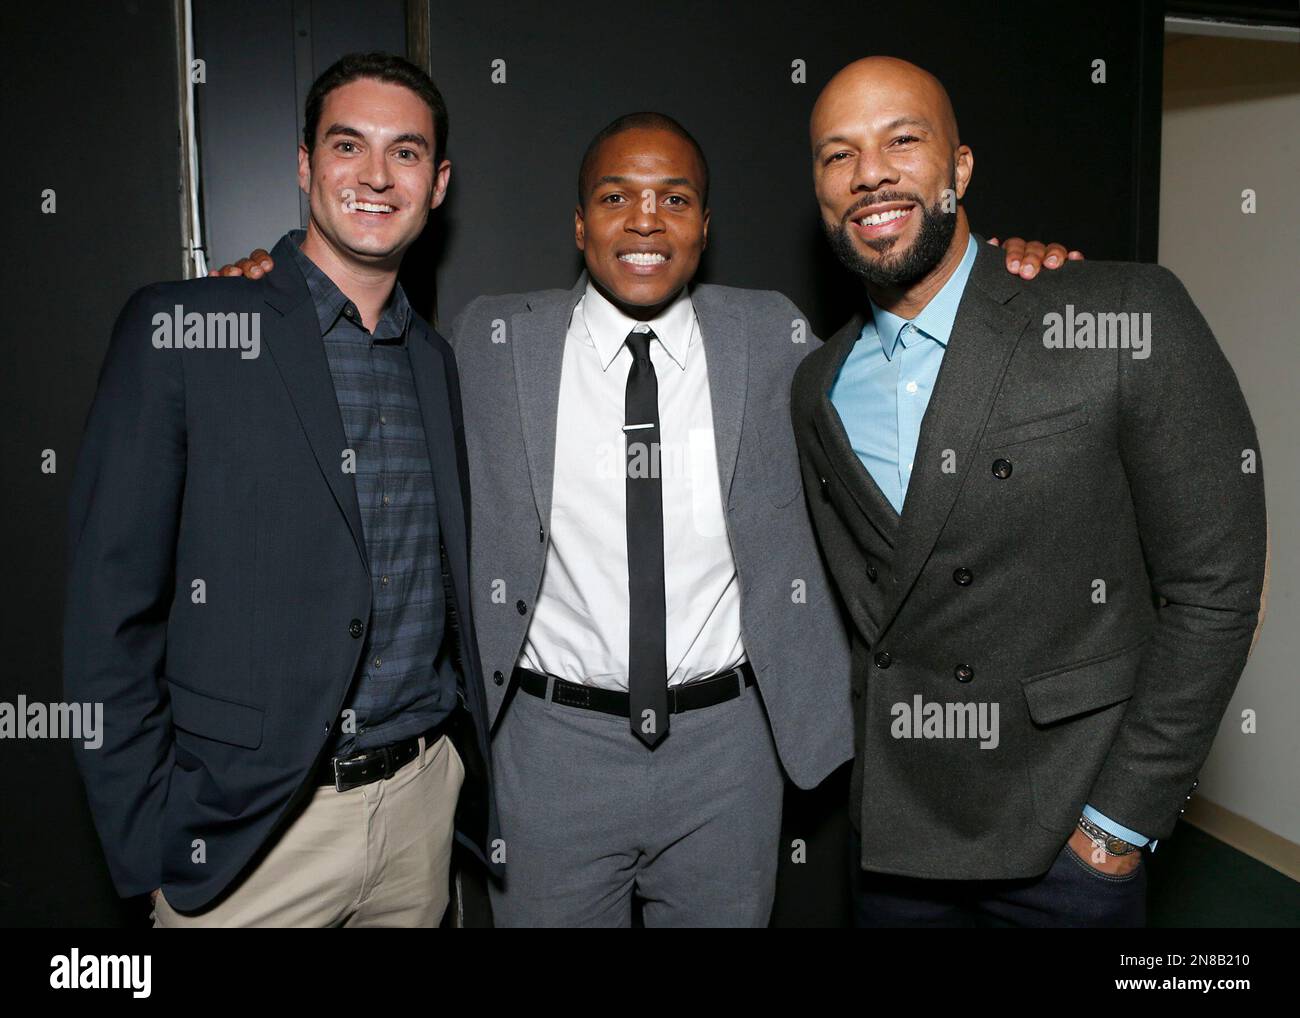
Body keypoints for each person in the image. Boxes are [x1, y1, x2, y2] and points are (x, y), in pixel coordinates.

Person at [217, 109, 1076, 927]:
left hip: (729, 755)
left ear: (705, 226)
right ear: (579, 225)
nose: (645, 221)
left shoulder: (770, 335)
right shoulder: (493, 343)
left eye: (674, 198)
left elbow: (907, 349)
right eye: (615, 196)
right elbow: (360, 322)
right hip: (549, 753)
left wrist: (995, 272)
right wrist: (275, 280)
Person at [791, 56, 1268, 927]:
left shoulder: (1122, 313)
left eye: (904, 139)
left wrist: (1119, 826)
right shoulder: (816, 386)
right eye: (838, 155)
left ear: (960, 169)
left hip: (1069, 839)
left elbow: (1220, 589)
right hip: (897, 842)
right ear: (820, 191)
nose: (871, 174)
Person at [63, 52, 498, 927]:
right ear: (305, 165)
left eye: (406, 153)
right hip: (248, 842)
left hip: (417, 814)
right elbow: (106, 613)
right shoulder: (190, 328)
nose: (376, 176)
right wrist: (149, 845)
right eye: (348, 146)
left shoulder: (436, 362)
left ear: (438, 182)